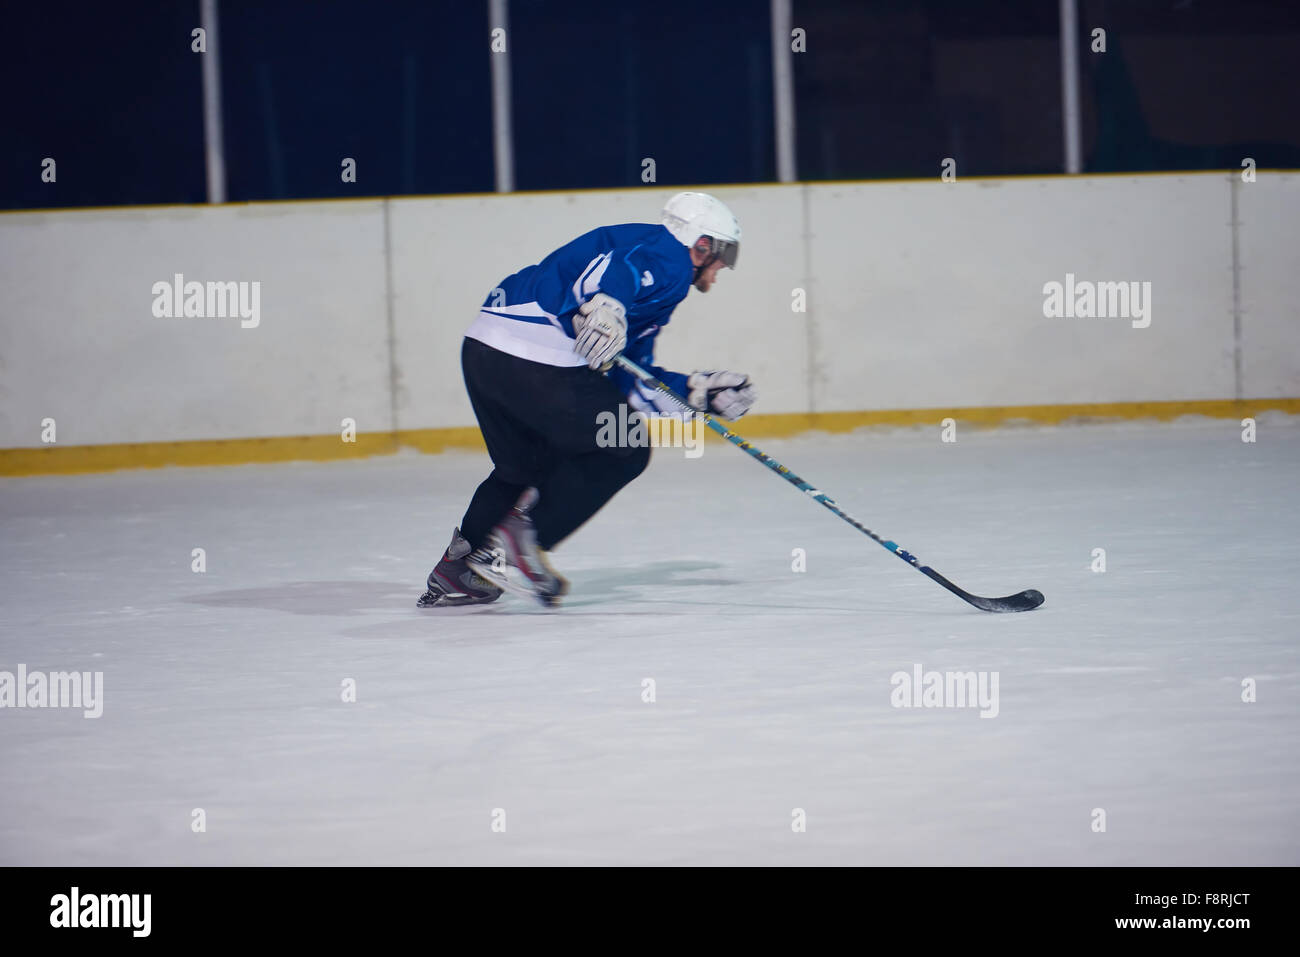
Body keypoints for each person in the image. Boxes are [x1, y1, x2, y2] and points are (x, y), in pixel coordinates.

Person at [419, 191, 757, 608]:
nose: (724, 265)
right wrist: (609, 304)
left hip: (484, 351)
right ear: (701, 245)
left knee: (524, 466)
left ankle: (460, 567)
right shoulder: (666, 256)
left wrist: (696, 392)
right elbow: (624, 269)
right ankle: (520, 543)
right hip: (534, 354)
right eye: (725, 252)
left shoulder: (652, 267)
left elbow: (631, 374)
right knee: (626, 444)